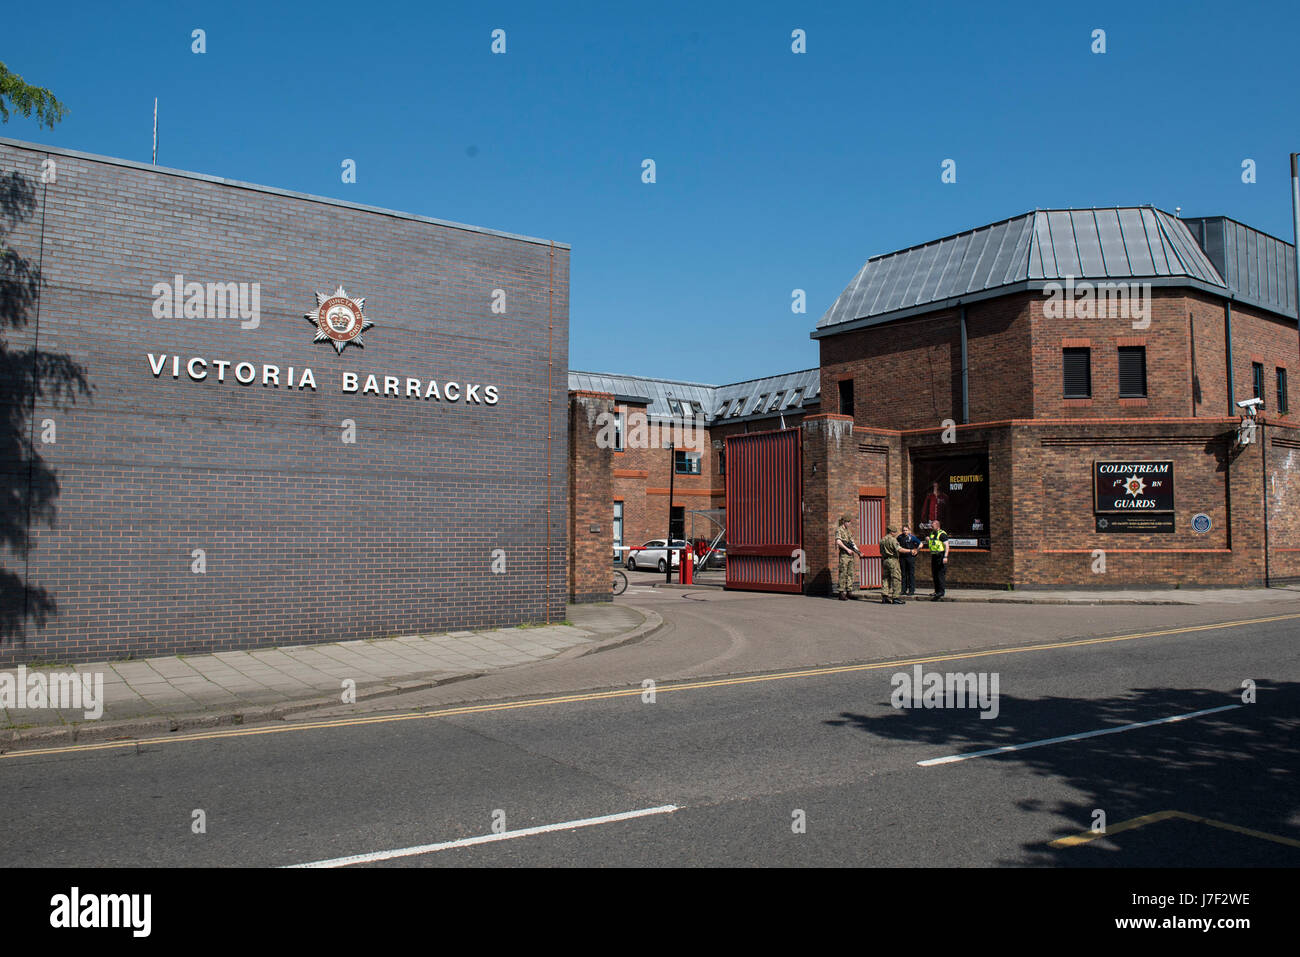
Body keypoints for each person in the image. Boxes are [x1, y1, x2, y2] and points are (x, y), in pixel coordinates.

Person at [835, 515, 861, 600]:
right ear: (844, 522)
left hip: (850, 555)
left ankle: (849, 591)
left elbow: (852, 543)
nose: (849, 524)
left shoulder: (848, 531)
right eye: (848, 522)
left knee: (850, 573)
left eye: (850, 522)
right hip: (844, 555)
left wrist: (858, 552)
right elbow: (838, 541)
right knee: (843, 573)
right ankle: (841, 592)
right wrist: (847, 549)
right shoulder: (839, 530)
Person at [925, 520, 950, 601]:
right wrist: (928, 540)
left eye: (933, 525)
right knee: (935, 574)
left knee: (940, 574)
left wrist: (945, 556)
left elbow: (947, 546)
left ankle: (941, 592)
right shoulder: (932, 533)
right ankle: (936, 591)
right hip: (934, 555)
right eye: (931, 525)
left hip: (941, 555)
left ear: (938, 526)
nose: (931, 527)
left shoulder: (942, 534)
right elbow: (933, 543)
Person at [879, 526, 904, 604]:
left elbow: (881, 551)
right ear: (891, 532)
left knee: (886, 579)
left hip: (885, 560)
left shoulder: (882, 540)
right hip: (893, 560)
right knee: (896, 578)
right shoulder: (892, 540)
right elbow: (899, 549)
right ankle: (896, 597)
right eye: (894, 532)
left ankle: (884, 597)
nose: (895, 533)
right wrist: (910, 551)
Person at [896, 525, 921, 596]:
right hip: (902, 557)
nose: (905, 532)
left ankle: (911, 590)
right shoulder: (900, 537)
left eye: (906, 530)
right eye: (903, 530)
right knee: (903, 574)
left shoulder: (912, 537)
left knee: (911, 574)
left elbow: (921, 544)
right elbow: (897, 544)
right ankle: (903, 590)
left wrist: (917, 550)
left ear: (909, 530)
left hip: (910, 557)